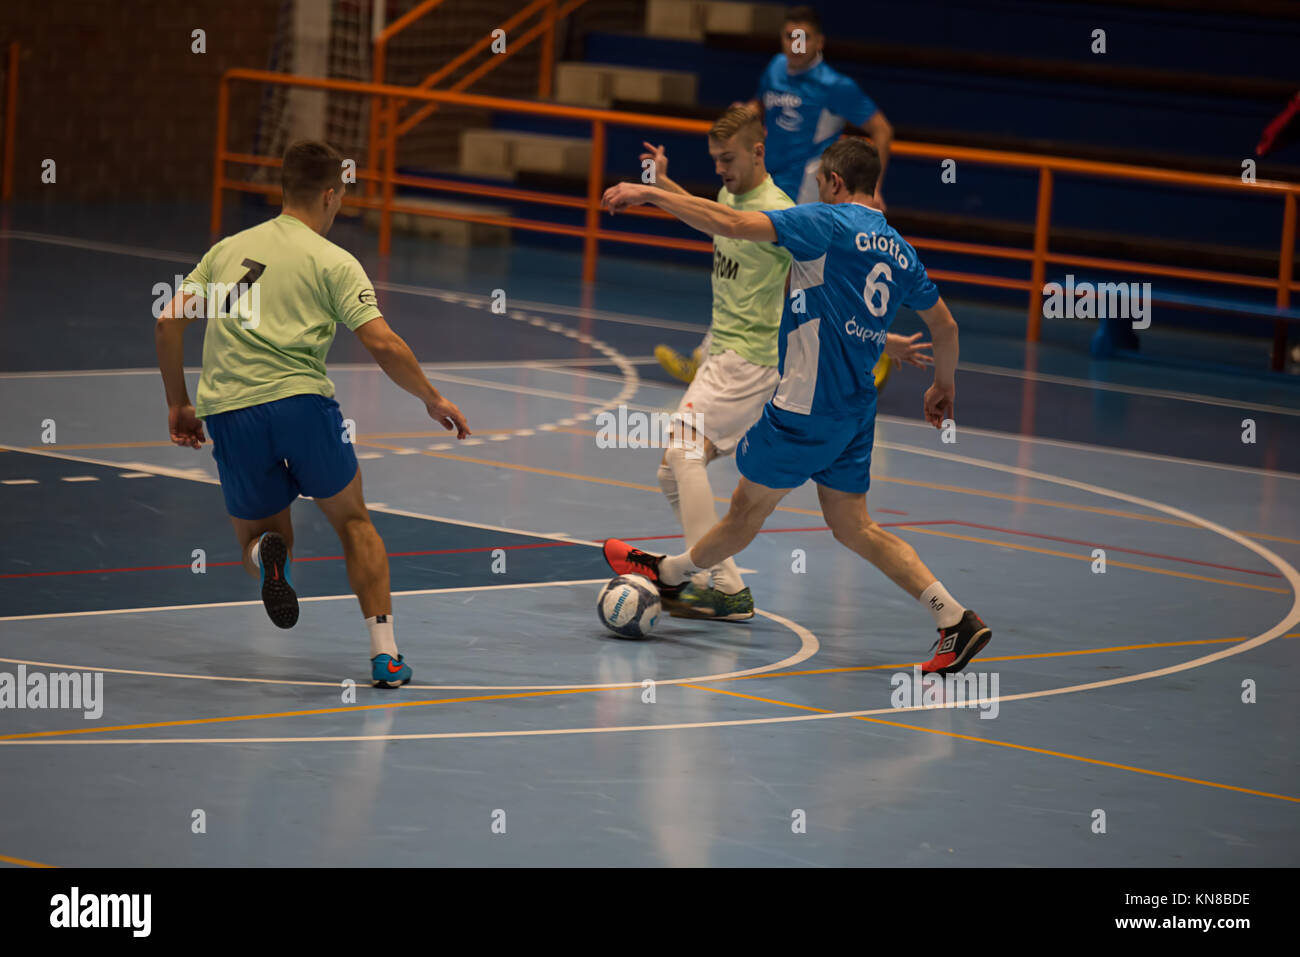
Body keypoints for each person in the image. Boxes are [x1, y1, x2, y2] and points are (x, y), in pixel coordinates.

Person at [600, 137, 991, 674]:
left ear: (833, 182)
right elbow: (945, 326)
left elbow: (731, 223)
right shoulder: (900, 250)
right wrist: (942, 386)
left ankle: (669, 575)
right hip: (856, 409)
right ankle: (954, 619)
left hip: (806, 407)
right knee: (853, 526)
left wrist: (652, 194)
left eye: (821, 184)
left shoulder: (825, 223)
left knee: (745, 510)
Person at [154, 140, 471, 688]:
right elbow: (383, 342)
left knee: (258, 538)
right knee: (353, 522)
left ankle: (267, 555)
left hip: (230, 411)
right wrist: (431, 398)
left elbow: (167, 323)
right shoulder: (334, 262)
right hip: (302, 405)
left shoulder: (226, 251)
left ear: (284, 188)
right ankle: (385, 656)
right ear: (330, 194)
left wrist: (178, 403)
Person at [640, 107, 931, 620]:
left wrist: (880, 340)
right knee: (673, 470)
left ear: (758, 153)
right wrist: (666, 185)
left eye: (728, 159)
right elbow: (719, 222)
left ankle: (717, 585)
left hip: (752, 360)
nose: (720, 169)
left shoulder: (781, 211)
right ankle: (721, 581)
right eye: (714, 160)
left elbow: (826, 292)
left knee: (684, 455)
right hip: (723, 354)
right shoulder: (730, 196)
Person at [656, 7, 894, 386]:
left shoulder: (836, 86)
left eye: (803, 38)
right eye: (789, 37)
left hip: (808, 195)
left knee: (802, 278)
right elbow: (760, 105)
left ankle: (872, 354)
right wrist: (745, 113)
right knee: (756, 269)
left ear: (819, 42)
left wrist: (873, 187)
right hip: (768, 186)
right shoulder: (775, 69)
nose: (795, 45)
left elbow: (881, 129)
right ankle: (709, 358)